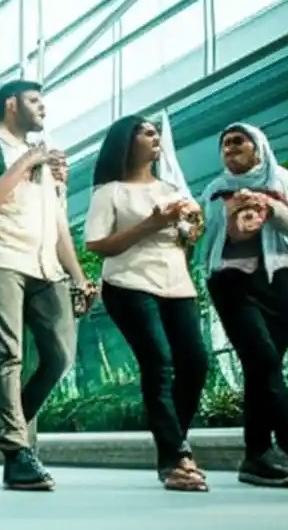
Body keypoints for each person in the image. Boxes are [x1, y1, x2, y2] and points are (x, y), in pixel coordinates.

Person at [197, 123, 288, 488]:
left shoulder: (282, 180)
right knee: (262, 358)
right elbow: (214, 239)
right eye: (225, 144)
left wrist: (270, 206)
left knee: (263, 369)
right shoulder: (215, 190)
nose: (230, 148)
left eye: (238, 141)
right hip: (231, 282)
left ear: (258, 147)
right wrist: (236, 212)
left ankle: (256, 454)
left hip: (279, 280)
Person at [0, 80, 95, 491]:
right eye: (35, 102)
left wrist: (79, 276)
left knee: (61, 355)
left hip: (48, 268)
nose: (43, 109)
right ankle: (17, 451)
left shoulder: (49, 163)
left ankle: (14, 432)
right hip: (3, 258)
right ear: (11, 104)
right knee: (6, 354)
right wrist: (25, 163)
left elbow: (58, 225)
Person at [83, 116, 209, 492]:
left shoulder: (172, 189)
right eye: (146, 132)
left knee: (196, 363)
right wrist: (150, 225)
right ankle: (177, 458)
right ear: (126, 142)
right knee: (158, 361)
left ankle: (173, 446)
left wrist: (191, 229)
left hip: (177, 283)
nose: (156, 137)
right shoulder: (110, 192)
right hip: (129, 283)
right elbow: (97, 244)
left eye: (157, 133)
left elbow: (185, 241)